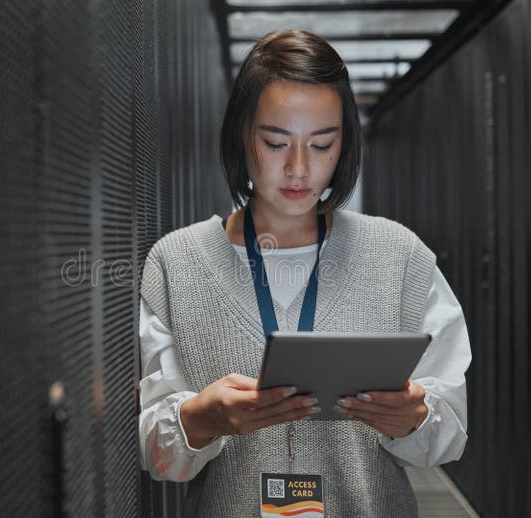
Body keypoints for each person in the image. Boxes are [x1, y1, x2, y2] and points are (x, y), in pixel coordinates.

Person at [138, 29, 470, 518]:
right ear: (242, 136)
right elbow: (156, 456)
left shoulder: (401, 258)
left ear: (344, 145)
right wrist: (201, 419)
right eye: (276, 142)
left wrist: (415, 418)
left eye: (321, 145)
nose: (298, 169)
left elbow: (450, 432)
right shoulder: (178, 263)